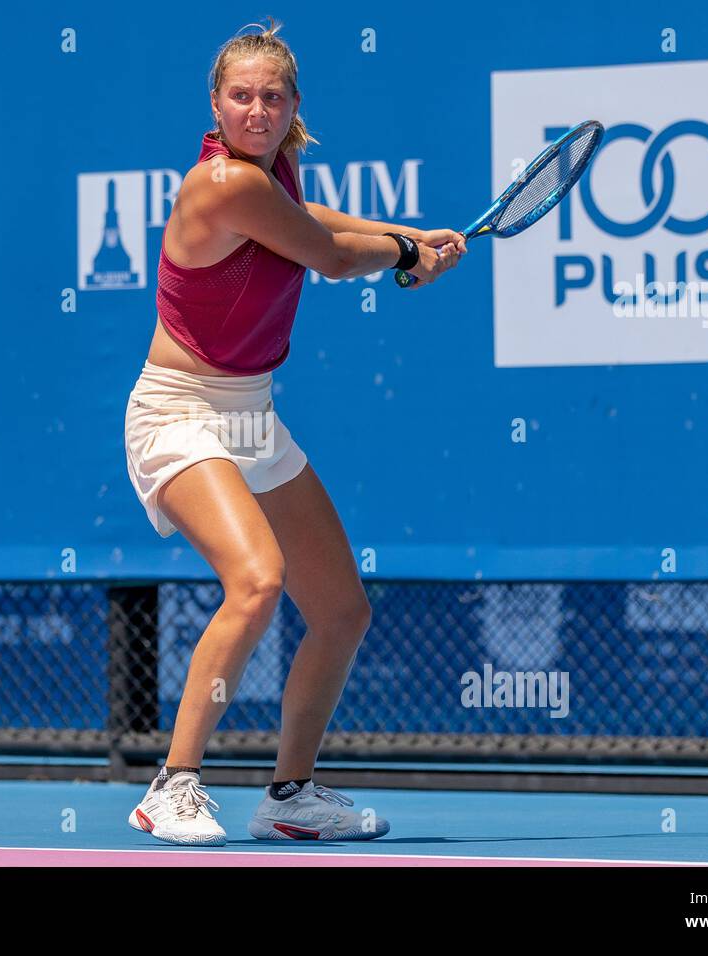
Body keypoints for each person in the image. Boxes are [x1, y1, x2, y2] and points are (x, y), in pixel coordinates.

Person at [123, 19, 466, 846]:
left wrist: (407, 235)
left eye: (272, 97)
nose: (257, 109)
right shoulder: (219, 183)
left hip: (252, 413)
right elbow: (330, 255)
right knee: (257, 580)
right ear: (216, 104)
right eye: (240, 96)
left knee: (342, 610)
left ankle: (290, 794)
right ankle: (171, 785)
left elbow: (307, 214)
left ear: (292, 108)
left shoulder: (273, 170)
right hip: (179, 410)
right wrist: (401, 254)